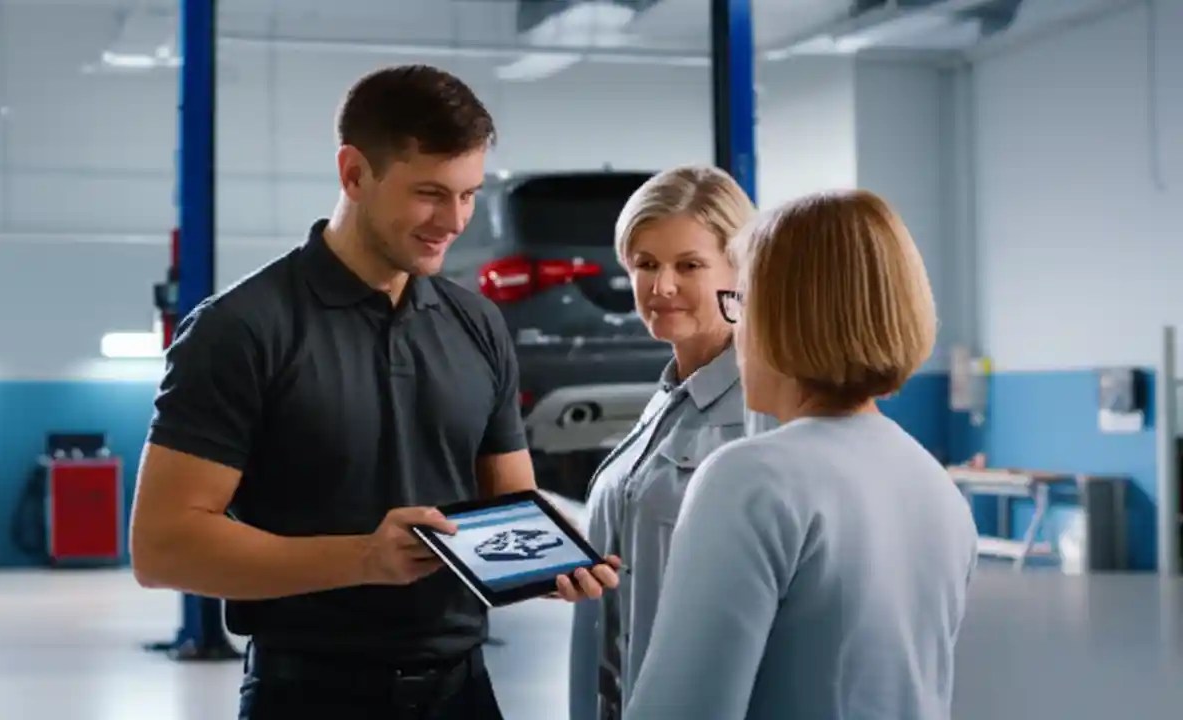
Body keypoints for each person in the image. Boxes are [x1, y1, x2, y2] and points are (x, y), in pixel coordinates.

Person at [127, 64, 618, 720]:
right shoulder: (242, 329)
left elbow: (511, 503)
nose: (454, 220)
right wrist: (361, 558)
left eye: (468, 194)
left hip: (464, 690)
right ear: (354, 173)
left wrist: (553, 558)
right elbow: (162, 547)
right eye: (429, 193)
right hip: (308, 693)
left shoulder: (477, 325)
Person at [621, 189, 979, 720]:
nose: (737, 329)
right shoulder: (933, 482)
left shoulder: (748, 478)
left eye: (740, 301)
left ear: (786, 315)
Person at [566, 166, 776, 720]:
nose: (661, 287)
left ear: (739, 269)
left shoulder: (762, 415)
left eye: (689, 265)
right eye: (645, 264)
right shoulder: (666, 402)